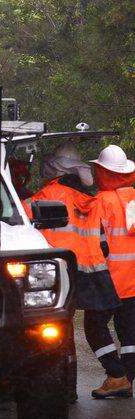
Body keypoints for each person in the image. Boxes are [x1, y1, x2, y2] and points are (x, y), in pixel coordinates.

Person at [23, 144, 116, 401]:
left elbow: (18, 219)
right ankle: (117, 375)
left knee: (59, 329)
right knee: (93, 326)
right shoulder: (93, 199)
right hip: (92, 272)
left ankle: (66, 389)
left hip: (57, 272)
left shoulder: (45, 195)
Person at [86, 144, 135, 398]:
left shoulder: (101, 202)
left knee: (93, 326)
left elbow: (95, 241)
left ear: (104, 172)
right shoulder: (134, 198)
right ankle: (126, 379)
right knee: (129, 331)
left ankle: (116, 375)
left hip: (109, 279)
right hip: (133, 281)